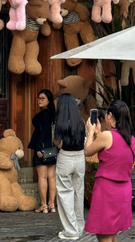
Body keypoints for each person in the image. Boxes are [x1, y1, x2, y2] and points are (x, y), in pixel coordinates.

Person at [84, 100, 135, 242]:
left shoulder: (107, 135)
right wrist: (99, 133)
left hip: (107, 189)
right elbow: (114, 151)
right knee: (113, 233)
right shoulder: (132, 140)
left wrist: (91, 132)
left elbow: (88, 151)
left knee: (103, 233)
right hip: (123, 189)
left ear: (110, 116)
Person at [53, 93, 87, 241]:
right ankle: (80, 227)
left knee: (65, 193)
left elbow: (58, 144)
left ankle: (71, 230)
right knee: (78, 193)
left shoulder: (60, 123)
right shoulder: (81, 122)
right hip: (80, 158)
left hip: (66, 157)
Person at [30, 89, 58, 214]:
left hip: (42, 149)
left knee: (42, 177)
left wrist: (38, 147)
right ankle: (52, 204)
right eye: (39, 98)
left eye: (43, 98)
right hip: (52, 149)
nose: (39, 101)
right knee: (51, 177)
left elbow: (43, 131)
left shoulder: (43, 115)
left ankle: (43, 205)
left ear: (49, 100)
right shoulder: (53, 115)